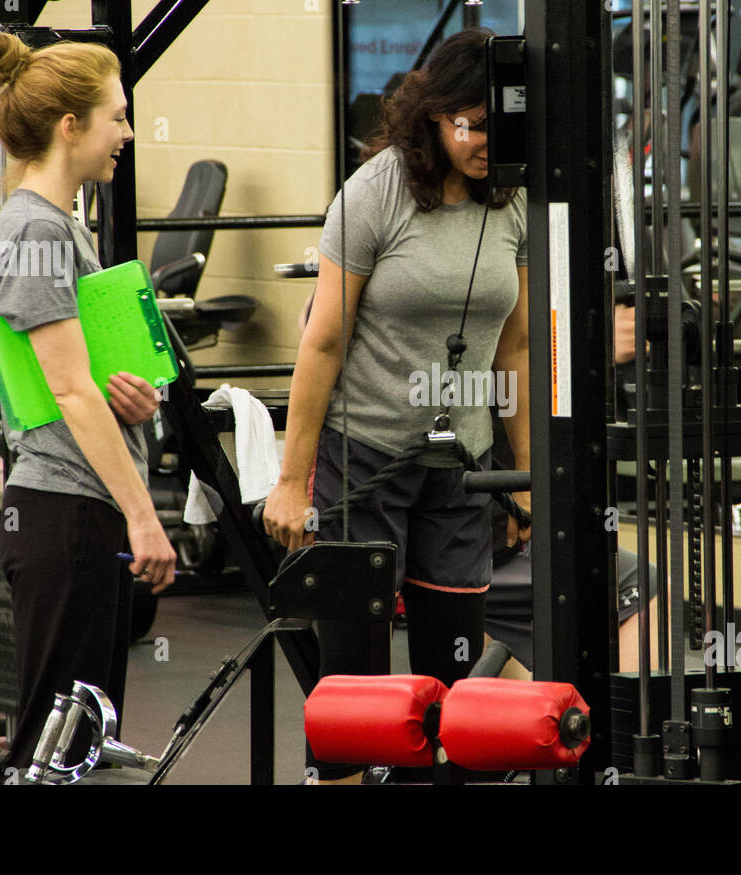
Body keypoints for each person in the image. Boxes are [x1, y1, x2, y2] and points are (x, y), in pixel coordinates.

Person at [263, 28, 531, 783]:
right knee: (356, 684)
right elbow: (321, 344)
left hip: (460, 466)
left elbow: (514, 348)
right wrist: (292, 478)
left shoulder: (510, 198)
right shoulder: (376, 191)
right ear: (436, 117)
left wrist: (525, 477)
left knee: (452, 673)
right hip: (363, 459)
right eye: (468, 125)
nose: (483, 141)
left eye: (496, 124)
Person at [0, 32, 177, 775]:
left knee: (79, 751)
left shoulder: (61, 226)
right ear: (70, 126)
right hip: (68, 512)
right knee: (51, 759)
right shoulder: (35, 228)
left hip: (81, 510)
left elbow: (87, 382)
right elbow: (68, 390)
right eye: (117, 117)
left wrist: (135, 398)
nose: (125, 132)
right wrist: (146, 515)